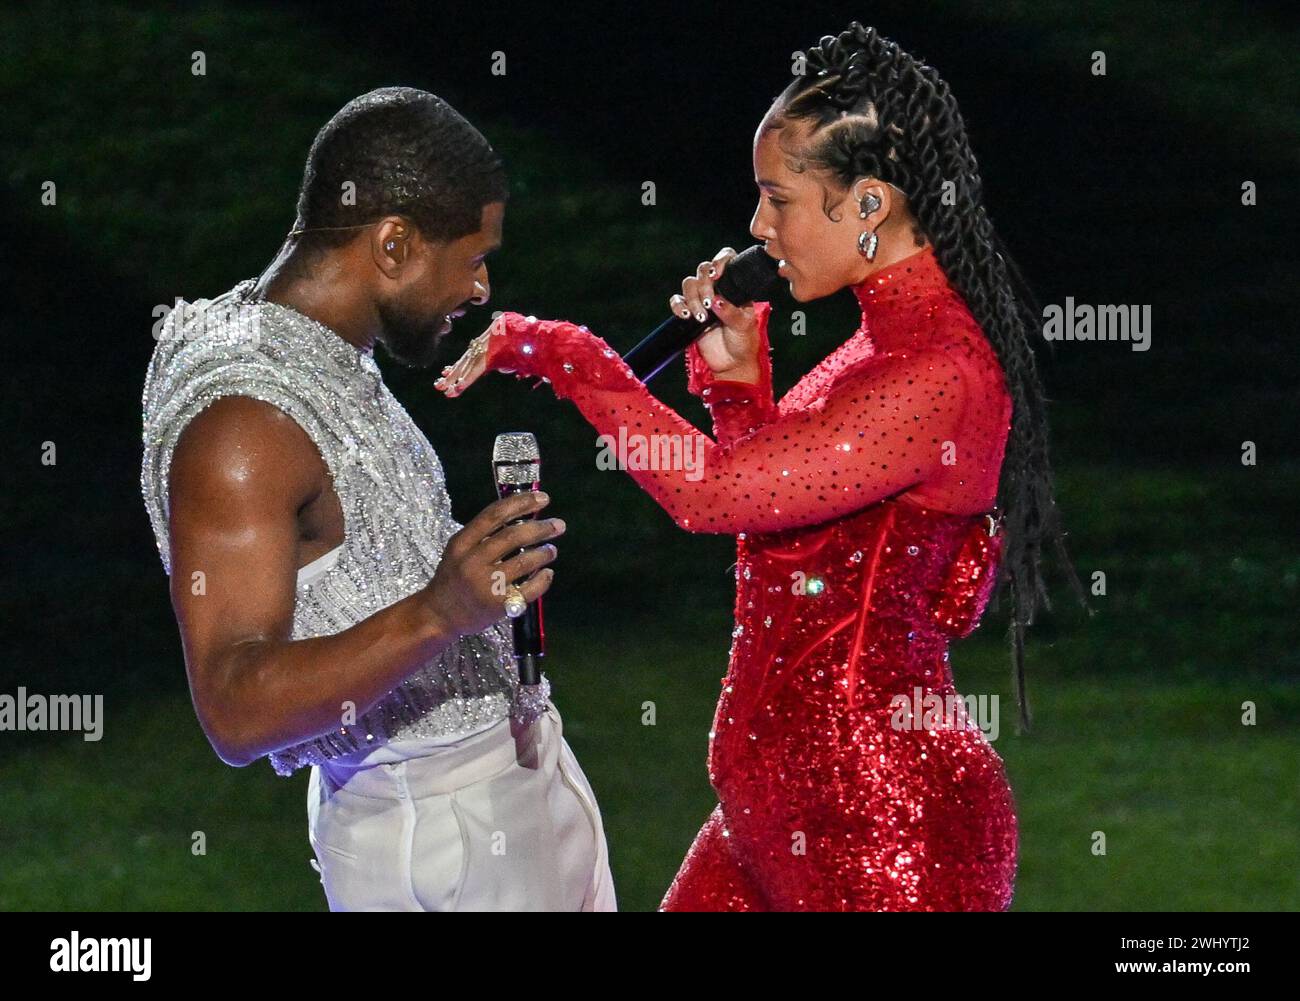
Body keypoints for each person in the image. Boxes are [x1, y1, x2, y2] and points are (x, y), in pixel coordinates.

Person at [437, 24, 1085, 910]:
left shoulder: (942, 373)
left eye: (778, 199)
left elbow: (709, 496)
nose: (756, 227)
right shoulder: (875, 351)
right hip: (768, 818)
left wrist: (563, 352)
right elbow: (778, 525)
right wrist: (739, 386)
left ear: (868, 205)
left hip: (886, 832)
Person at [140, 87, 616, 911]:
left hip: (496, 800)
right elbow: (234, 706)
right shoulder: (243, 426)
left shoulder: (313, 343)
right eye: (471, 259)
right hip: (438, 834)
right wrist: (440, 610)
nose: (481, 288)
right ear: (393, 244)